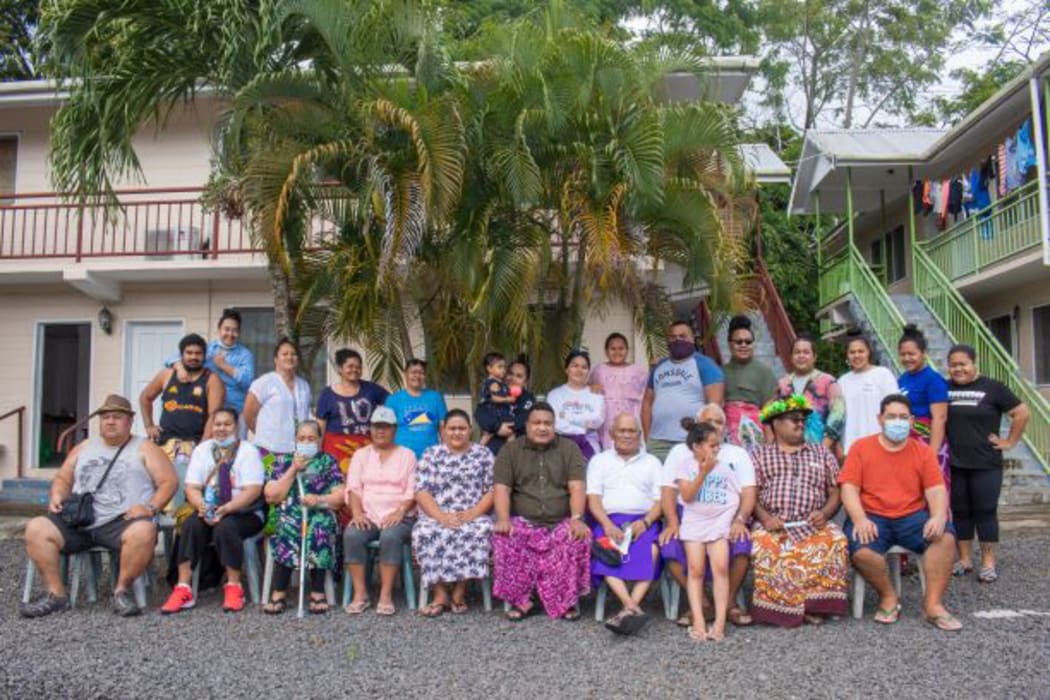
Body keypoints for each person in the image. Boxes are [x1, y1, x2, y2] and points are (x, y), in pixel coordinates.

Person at [21, 395, 177, 618]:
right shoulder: (84, 446)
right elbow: (64, 477)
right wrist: (57, 495)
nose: (110, 421)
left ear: (129, 421)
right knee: (37, 527)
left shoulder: (145, 447)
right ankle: (57, 595)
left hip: (121, 522)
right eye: (105, 417)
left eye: (117, 417)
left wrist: (150, 508)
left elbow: (168, 481)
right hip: (80, 520)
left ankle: (121, 592)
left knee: (145, 531)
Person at [840, 394, 962, 631]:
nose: (898, 421)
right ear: (880, 419)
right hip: (872, 516)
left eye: (903, 417)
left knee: (945, 538)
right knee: (861, 552)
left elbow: (936, 489)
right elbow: (849, 488)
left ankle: (933, 605)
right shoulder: (861, 447)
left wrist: (938, 515)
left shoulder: (922, 451)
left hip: (912, 516)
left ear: (912, 420)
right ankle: (888, 596)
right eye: (892, 416)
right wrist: (859, 519)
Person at [749, 395, 849, 628]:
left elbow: (836, 491)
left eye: (803, 419)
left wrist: (825, 513)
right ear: (775, 423)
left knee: (836, 541)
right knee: (767, 547)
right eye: (793, 419)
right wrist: (765, 518)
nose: (800, 423)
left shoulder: (821, 453)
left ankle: (815, 606)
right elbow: (750, 494)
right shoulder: (759, 455)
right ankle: (784, 610)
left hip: (813, 524)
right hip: (774, 524)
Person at [160, 407, 264, 614]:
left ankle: (234, 586)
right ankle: (184, 588)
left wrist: (227, 509)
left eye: (227, 424)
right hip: (210, 509)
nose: (221, 429)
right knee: (190, 524)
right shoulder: (202, 450)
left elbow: (253, 490)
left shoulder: (248, 451)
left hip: (244, 512)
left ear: (237, 427)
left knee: (226, 527)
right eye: (217, 424)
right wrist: (202, 506)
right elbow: (192, 487)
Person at [492, 402, 591, 620]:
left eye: (548, 423)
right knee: (504, 535)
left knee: (576, 535)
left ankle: (566, 601)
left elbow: (577, 486)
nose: (542, 428)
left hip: (560, 521)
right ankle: (523, 600)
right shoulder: (510, 450)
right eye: (537, 423)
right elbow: (502, 488)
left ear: (555, 426)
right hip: (524, 521)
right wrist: (503, 518)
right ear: (526, 425)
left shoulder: (569, 449)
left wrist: (576, 518)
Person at [659, 404, 756, 627]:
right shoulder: (679, 454)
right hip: (690, 515)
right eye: (709, 421)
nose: (715, 427)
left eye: (719, 422)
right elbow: (669, 491)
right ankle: (702, 603)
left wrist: (740, 519)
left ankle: (729, 603)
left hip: (727, 514)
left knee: (742, 543)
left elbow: (748, 492)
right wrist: (672, 521)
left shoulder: (737, 454)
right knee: (669, 546)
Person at [945, 344, 1030, 582]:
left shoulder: (993, 388)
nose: (958, 369)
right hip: (955, 463)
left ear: (974, 364)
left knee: (985, 512)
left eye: (963, 364)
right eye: (953, 365)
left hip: (986, 463)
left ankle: (988, 563)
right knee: (960, 512)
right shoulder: (944, 388)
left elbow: (1022, 412)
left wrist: (1009, 441)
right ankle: (964, 560)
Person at [586, 413, 663, 635]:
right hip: (609, 520)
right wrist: (607, 524)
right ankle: (630, 607)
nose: (627, 435)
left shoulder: (653, 462)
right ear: (611, 434)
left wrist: (646, 522)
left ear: (640, 435)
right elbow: (594, 500)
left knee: (652, 550)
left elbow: (660, 501)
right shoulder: (599, 461)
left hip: (642, 520)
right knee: (604, 549)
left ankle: (628, 608)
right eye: (622, 430)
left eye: (632, 431)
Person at [412, 409, 495, 616]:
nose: (456, 433)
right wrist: (441, 517)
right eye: (452, 428)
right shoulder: (432, 454)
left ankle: (460, 591)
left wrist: (472, 514)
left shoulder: (483, 454)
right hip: (436, 513)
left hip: (473, 514)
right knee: (424, 531)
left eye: (461, 428)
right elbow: (421, 491)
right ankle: (439, 593)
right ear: (443, 431)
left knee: (478, 530)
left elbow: (492, 491)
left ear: (470, 430)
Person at [262, 420, 344, 614]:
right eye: (302, 438)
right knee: (288, 526)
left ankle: (317, 591)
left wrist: (319, 498)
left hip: (320, 511)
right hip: (288, 511)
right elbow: (271, 496)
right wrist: (293, 470)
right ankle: (279, 590)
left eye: (311, 438)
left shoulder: (328, 461)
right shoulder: (281, 461)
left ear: (319, 440)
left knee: (317, 528)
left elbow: (340, 497)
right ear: (295, 440)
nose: (306, 441)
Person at [343, 406, 417, 616]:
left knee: (391, 536)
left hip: (400, 516)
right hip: (368, 515)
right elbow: (354, 489)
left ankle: (385, 594)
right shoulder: (361, 455)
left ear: (394, 430)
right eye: (376, 427)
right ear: (371, 429)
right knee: (352, 534)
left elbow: (412, 491)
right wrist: (357, 514)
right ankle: (361, 594)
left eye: (385, 427)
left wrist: (400, 512)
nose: (380, 431)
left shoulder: (407, 455)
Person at [675, 421, 745, 642]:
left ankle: (720, 622)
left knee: (720, 569)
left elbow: (738, 494)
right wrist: (703, 472)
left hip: (718, 524)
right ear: (697, 446)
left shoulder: (725, 468)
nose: (717, 449)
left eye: (718, 445)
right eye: (712, 445)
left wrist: (734, 519)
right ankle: (698, 620)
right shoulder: (685, 466)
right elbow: (687, 496)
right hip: (694, 524)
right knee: (695, 571)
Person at [140, 333, 225, 478]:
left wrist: (202, 446)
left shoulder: (212, 379)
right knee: (159, 484)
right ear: (181, 355)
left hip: (193, 444)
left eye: (198, 353)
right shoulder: (167, 375)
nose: (193, 357)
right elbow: (145, 398)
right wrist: (149, 426)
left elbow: (214, 415)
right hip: (165, 443)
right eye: (189, 353)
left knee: (184, 489)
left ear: (204, 356)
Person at [642, 320, 724, 460]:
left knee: (690, 481)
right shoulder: (659, 367)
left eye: (682, 336)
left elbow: (714, 406)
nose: (677, 340)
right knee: (660, 482)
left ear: (692, 339)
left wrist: (703, 439)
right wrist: (648, 437)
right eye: (673, 337)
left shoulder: (706, 365)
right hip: (658, 443)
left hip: (690, 441)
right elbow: (647, 403)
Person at [168, 308, 255, 424]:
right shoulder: (208, 348)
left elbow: (247, 380)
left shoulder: (245, 354)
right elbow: (171, 358)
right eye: (227, 329)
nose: (230, 334)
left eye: (234, 330)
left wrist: (224, 366)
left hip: (235, 409)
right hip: (205, 406)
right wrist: (179, 368)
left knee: (234, 442)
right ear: (219, 329)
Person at [315, 348, 390, 475]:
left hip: (366, 448)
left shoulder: (371, 389)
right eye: (350, 366)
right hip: (335, 449)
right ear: (339, 369)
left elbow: (394, 404)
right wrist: (317, 453)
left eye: (358, 367)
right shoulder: (327, 394)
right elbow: (319, 428)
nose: (354, 370)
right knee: (339, 487)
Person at [243, 338, 312, 463]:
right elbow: (248, 414)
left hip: (299, 451)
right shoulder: (264, 382)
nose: (289, 357)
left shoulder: (304, 385)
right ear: (276, 359)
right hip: (269, 449)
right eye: (284, 354)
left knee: (295, 482)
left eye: (293, 354)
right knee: (270, 482)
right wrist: (263, 432)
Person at [897, 324, 949, 487]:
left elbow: (939, 418)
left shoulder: (933, 380)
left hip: (927, 440)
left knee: (932, 489)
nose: (907, 358)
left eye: (912, 354)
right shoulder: (902, 379)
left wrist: (932, 453)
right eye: (903, 354)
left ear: (923, 354)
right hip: (906, 440)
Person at [773, 333, 845, 449]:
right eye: (797, 352)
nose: (801, 356)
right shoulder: (783, 383)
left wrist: (824, 448)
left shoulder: (828, 381)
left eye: (806, 352)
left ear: (814, 357)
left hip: (820, 447)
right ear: (791, 357)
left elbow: (838, 414)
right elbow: (774, 416)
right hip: (788, 450)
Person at [722, 316, 778, 452]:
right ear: (730, 344)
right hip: (727, 432)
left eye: (748, 342)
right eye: (738, 342)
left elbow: (768, 410)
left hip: (755, 434)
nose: (743, 345)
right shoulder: (720, 372)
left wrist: (770, 438)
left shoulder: (765, 372)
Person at [838, 334, 898, 455]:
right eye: (852, 352)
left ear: (868, 352)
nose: (856, 355)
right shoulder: (842, 381)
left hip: (881, 445)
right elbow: (838, 416)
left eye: (861, 351)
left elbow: (894, 409)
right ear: (847, 355)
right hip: (851, 447)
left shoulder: (883, 374)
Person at [589, 333, 649, 450]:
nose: (617, 352)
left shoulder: (638, 371)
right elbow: (588, 390)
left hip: (630, 415)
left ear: (627, 350)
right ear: (606, 351)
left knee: (631, 450)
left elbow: (649, 392)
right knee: (608, 452)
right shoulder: (599, 370)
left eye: (621, 348)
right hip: (607, 419)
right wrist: (591, 387)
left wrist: (654, 367)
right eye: (613, 349)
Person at [546, 349, 605, 461]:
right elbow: (556, 423)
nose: (579, 370)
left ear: (588, 371)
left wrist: (570, 420)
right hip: (561, 444)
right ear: (566, 369)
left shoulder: (596, 396)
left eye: (584, 367)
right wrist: (583, 425)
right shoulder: (554, 395)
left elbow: (598, 420)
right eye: (575, 366)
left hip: (589, 444)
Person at [385, 359, 448, 459]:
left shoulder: (435, 397)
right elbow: (387, 430)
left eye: (421, 373)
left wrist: (446, 452)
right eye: (413, 372)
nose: (417, 376)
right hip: (402, 458)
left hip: (431, 457)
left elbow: (443, 427)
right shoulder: (393, 400)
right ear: (405, 374)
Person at [475, 358, 535, 456]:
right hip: (490, 451)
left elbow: (521, 419)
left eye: (519, 376)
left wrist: (503, 427)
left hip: (517, 452)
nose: (512, 378)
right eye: (510, 373)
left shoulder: (528, 398)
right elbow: (480, 413)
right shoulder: (495, 391)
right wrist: (497, 427)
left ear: (525, 382)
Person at [477, 352, 516, 447]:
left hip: (496, 413)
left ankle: (478, 449)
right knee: (511, 431)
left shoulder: (498, 382)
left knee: (487, 435)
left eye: (504, 367)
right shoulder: (493, 383)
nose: (503, 370)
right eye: (500, 367)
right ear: (489, 369)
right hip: (496, 413)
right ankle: (510, 450)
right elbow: (494, 398)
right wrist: (507, 399)